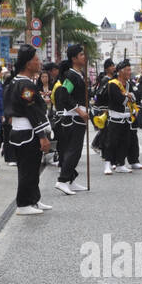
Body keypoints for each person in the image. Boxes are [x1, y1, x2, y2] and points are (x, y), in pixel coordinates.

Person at [3, 46, 53, 214]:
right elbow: (31, 111)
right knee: (28, 170)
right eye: (36, 60)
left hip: (22, 130)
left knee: (33, 168)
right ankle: (23, 204)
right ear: (28, 63)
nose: (39, 63)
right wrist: (42, 136)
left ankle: (34, 199)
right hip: (27, 132)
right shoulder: (24, 84)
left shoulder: (16, 82)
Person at [51, 43, 89, 195]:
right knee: (73, 150)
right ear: (74, 58)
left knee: (76, 151)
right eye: (81, 55)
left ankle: (71, 180)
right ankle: (62, 180)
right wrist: (79, 111)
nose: (84, 57)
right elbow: (63, 95)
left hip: (79, 117)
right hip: (73, 118)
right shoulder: (71, 75)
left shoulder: (80, 74)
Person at [101, 60, 136, 176]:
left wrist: (128, 96)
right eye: (127, 70)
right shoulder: (113, 84)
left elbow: (135, 97)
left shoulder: (129, 84)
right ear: (120, 71)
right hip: (115, 117)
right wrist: (127, 96)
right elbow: (118, 100)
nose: (129, 72)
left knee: (124, 142)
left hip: (126, 117)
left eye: (130, 70)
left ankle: (121, 164)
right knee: (111, 142)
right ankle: (107, 164)